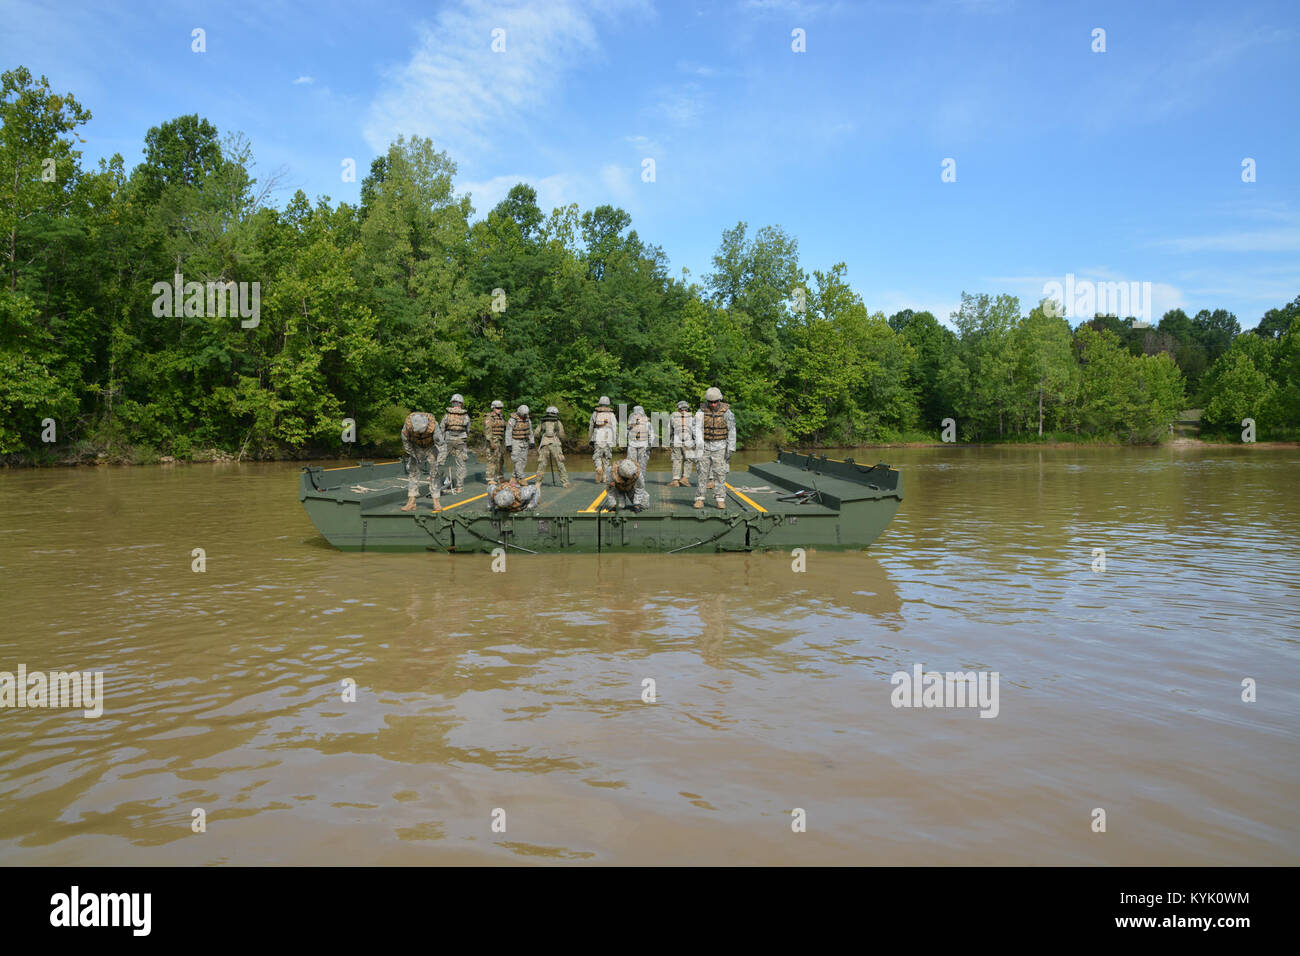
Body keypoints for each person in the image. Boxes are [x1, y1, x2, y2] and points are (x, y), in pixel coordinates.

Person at [694, 386, 735, 510]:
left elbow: (732, 430)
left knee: (720, 474)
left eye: (715, 402)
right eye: (710, 402)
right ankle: (700, 498)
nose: (712, 404)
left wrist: (731, 448)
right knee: (702, 473)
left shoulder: (727, 412)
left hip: (720, 445)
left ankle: (720, 499)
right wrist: (699, 444)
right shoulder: (701, 411)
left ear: (720, 400)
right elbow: (696, 428)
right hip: (704, 445)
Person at [399, 411, 444, 512]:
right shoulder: (407, 426)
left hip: (431, 447)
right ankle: (412, 502)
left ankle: (436, 502)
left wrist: (440, 460)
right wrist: (412, 454)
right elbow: (405, 441)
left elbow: (441, 444)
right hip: (416, 447)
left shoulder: (434, 425)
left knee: (435, 473)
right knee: (413, 472)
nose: (420, 433)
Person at [438, 393, 471, 494]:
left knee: (440, 461)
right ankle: (460, 486)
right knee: (461, 463)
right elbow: (468, 429)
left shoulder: (447, 415)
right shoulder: (465, 416)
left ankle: (436, 482)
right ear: (461, 403)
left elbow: (441, 428)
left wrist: (441, 442)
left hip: (448, 440)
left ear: (452, 403)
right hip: (461, 441)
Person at [533, 406, 570, 488]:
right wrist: (564, 439)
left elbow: (536, 433)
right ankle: (565, 482)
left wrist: (539, 437)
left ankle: (538, 483)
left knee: (542, 463)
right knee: (560, 462)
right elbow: (562, 434)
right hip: (555, 443)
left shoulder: (542, 422)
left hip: (544, 443)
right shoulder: (558, 422)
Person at [588, 395, 616, 483]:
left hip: (598, 435)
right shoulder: (611, 414)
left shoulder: (595, 413)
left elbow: (591, 426)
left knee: (597, 455)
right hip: (608, 436)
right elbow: (614, 427)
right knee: (606, 457)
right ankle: (605, 476)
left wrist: (590, 438)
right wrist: (615, 439)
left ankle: (598, 468)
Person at [668, 400, 696, 487]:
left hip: (676, 441)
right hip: (688, 442)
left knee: (676, 460)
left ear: (678, 408)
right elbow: (695, 431)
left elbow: (669, 431)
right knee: (688, 460)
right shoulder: (692, 418)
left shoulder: (673, 417)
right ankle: (685, 478)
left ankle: (675, 480)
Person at [506, 404, 533, 480]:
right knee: (517, 460)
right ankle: (521, 478)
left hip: (525, 441)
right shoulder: (512, 420)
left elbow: (530, 431)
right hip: (515, 441)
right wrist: (508, 444)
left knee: (523, 460)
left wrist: (532, 442)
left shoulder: (528, 420)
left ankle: (514, 477)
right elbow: (508, 432)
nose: (524, 416)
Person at [625, 405, 653, 477]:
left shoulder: (647, 424)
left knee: (642, 463)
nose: (636, 415)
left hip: (643, 445)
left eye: (638, 413)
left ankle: (641, 478)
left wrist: (650, 444)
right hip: (632, 444)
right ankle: (632, 478)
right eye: (635, 413)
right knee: (631, 463)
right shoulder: (630, 424)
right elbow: (626, 433)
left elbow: (651, 434)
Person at [483, 399, 507, 483]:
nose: (499, 409)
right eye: (497, 408)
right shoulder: (489, 417)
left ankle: (500, 477)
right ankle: (490, 479)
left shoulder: (501, 417)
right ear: (493, 408)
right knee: (492, 460)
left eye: (500, 408)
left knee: (501, 459)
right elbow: (488, 431)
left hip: (500, 441)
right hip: (492, 441)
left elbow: (504, 427)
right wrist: (491, 442)